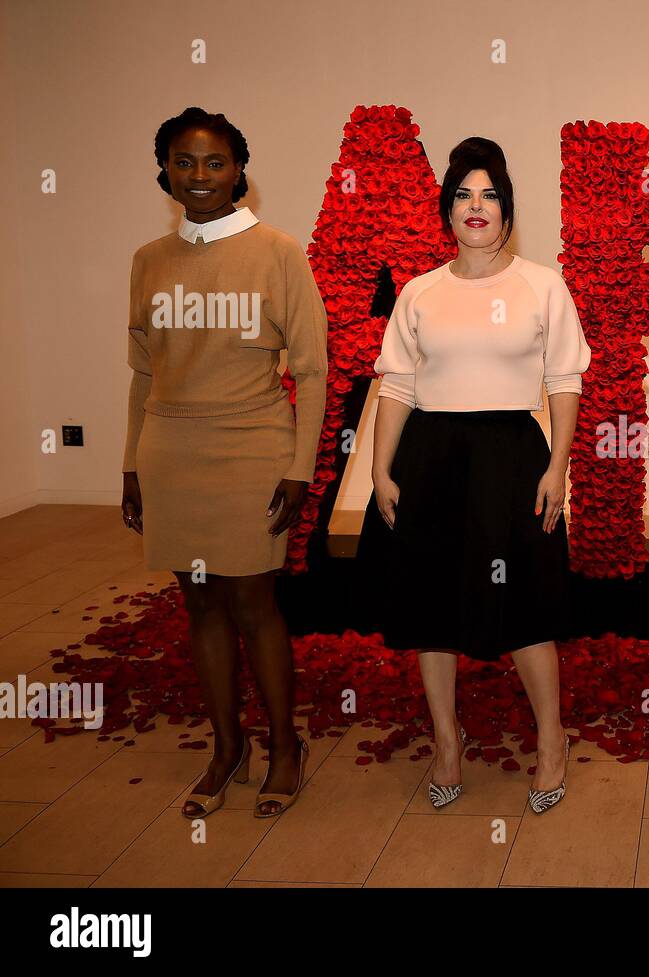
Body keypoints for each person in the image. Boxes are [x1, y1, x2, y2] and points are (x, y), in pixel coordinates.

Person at [357, 137, 591, 815]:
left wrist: (558, 465)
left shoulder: (542, 284)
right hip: (429, 457)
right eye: (463, 194)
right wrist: (379, 468)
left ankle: (553, 739)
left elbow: (564, 380)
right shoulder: (420, 291)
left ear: (508, 210)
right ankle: (447, 741)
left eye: (489, 194)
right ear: (447, 211)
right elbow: (396, 386)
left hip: (513, 457)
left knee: (526, 610)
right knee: (433, 611)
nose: (476, 206)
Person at [121, 107, 328, 819]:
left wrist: (300, 468)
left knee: (253, 603)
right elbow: (143, 374)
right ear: (165, 171)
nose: (200, 176)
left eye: (214, 163)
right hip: (169, 452)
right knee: (199, 602)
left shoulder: (278, 251)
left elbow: (312, 369)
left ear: (240, 170)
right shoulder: (149, 260)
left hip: (253, 447)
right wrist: (129, 465)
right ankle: (226, 745)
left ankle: (285, 747)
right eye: (185, 162)